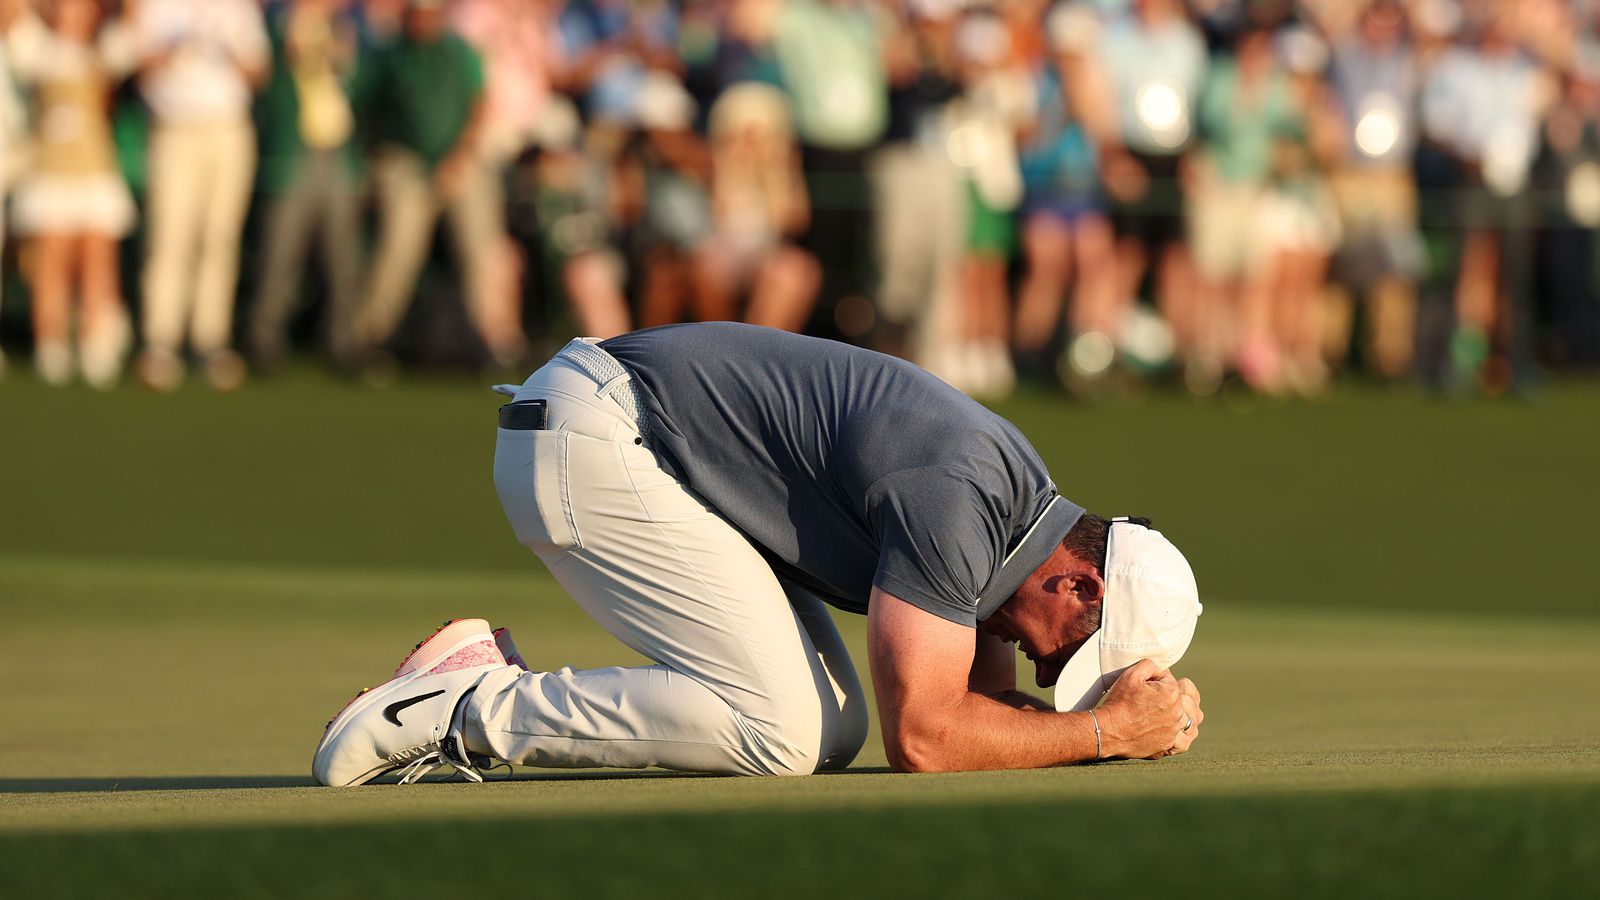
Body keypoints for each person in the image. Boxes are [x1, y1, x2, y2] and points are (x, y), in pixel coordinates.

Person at [313, 323, 1205, 785]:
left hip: (626, 437)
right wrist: (1105, 733)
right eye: (1072, 651)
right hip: (598, 438)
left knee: (833, 728)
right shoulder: (963, 500)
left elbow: (981, 706)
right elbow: (929, 739)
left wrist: (1109, 723)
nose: (1054, 675)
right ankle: (466, 710)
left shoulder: (1014, 513)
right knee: (779, 731)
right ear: (1076, 579)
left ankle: (464, 670)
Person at [353, 0, 527, 372]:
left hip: (461, 160)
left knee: (481, 250)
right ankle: (369, 338)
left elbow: (478, 105)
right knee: (398, 248)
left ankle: (495, 340)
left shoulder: (459, 51)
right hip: (407, 162)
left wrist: (459, 159)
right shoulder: (390, 54)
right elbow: (367, 110)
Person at [129, 0, 270, 392]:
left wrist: (228, 49)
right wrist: (175, 45)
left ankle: (210, 340)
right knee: (169, 236)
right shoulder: (156, 8)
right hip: (173, 128)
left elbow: (259, 72)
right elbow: (139, 68)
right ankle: (161, 341)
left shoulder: (238, 9)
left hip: (227, 128)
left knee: (219, 238)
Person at [4, 0, 138, 389]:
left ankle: (96, 343)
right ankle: (52, 343)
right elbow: (10, 17)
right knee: (51, 262)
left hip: (95, 174)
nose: (71, 15)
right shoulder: (39, 52)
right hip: (49, 174)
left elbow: (134, 24)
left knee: (98, 261)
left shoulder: (102, 53)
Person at [248, 0, 365, 371]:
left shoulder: (344, 27)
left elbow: (360, 84)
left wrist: (345, 56)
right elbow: (265, 84)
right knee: (280, 249)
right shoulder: (275, 23)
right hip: (293, 150)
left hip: (337, 151)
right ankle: (263, 337)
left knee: (342, 254)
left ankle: (343, 340)